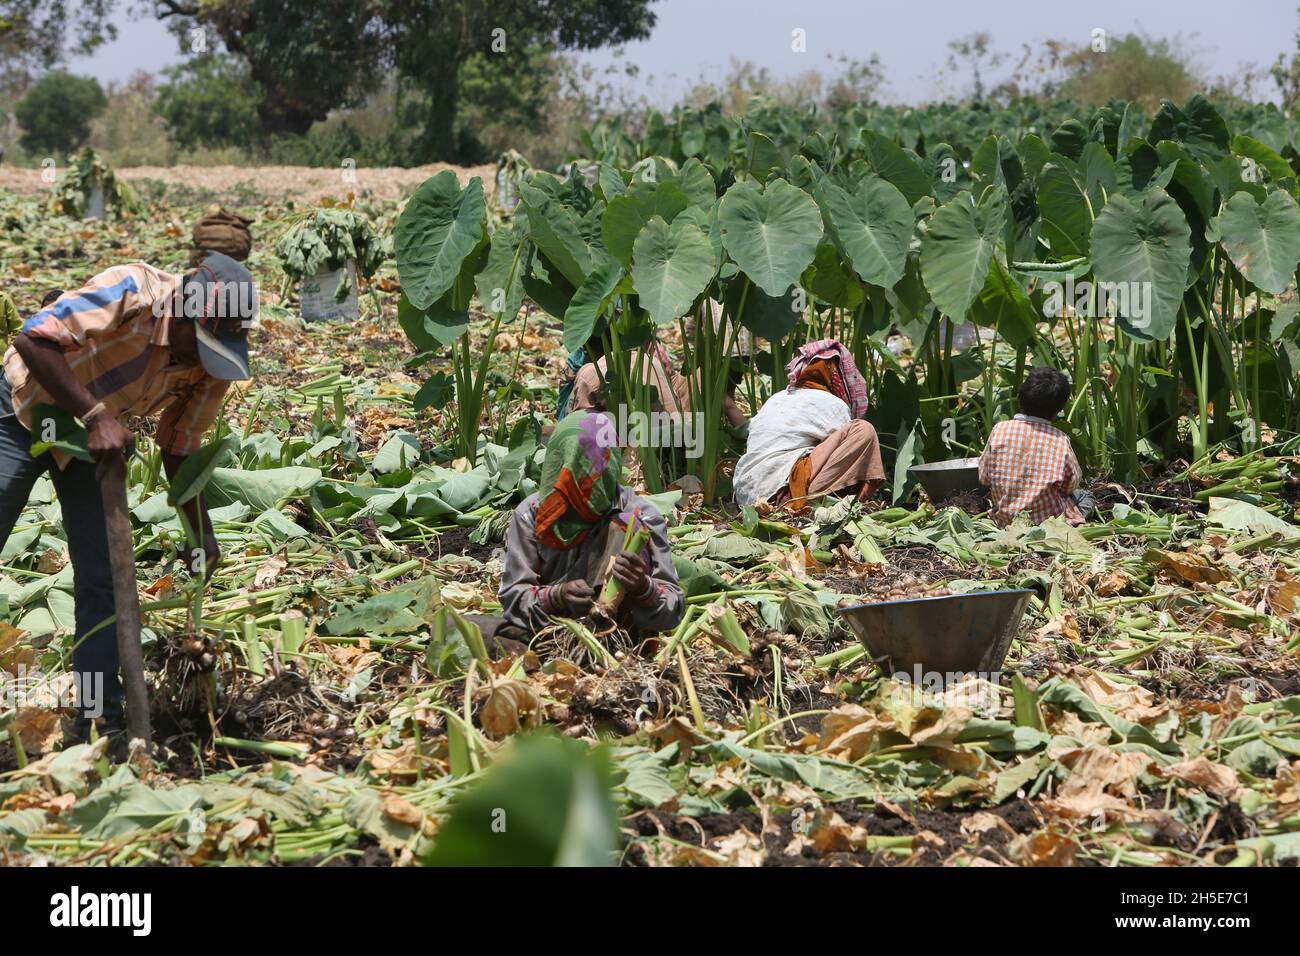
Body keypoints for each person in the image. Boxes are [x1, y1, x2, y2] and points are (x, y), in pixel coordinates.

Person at [0, 251, 257, 744]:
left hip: (84, 445)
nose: (202, 361)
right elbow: (34, 337)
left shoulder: (211, 366)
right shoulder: (132, 290)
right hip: (21, 409)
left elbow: (180, 447)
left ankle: (99, 720)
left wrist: (202, 534)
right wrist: (97, 415)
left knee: (104, 585)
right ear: (181, 311)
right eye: (200, 344)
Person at [497, 410, 684, 637]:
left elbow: (674, 609)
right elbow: (513, 597)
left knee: (622, 525)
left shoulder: (641, 518)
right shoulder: (532, 515)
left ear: (610, 465)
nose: (581, 486)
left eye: (591, 474)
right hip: (551, 633)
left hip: (619, 640)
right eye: (571, 474)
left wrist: (643, 587)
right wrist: (557, 596)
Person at [733, 339, 884, 508]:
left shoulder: (775, 399)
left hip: (746, 494)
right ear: (837, 376)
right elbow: (848, 454)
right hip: (783, 492)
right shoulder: (832, 403)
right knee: (862, 430)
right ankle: (850, 502)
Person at [979, 366, 1095, 527]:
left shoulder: (1000, 430)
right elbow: (1070, 484)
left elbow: (984, 476)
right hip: (1048, 525)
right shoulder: (1060, 439)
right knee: (1085, 496)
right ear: (1059, 410)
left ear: (1019, 397)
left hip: (1006, 521)